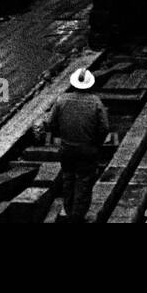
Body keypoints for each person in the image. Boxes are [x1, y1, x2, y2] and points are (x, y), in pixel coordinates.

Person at [47, 67, 109, 224]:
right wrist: (96, 143)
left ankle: (69, 213)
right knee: (84, 181)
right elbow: (104, 128)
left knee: (68, 179)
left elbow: (51, 123)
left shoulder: (61, 100)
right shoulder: (96, 102)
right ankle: (78, 216)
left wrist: (60, 137)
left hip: (67, 149)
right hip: (87, 150)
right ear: (89, 85)